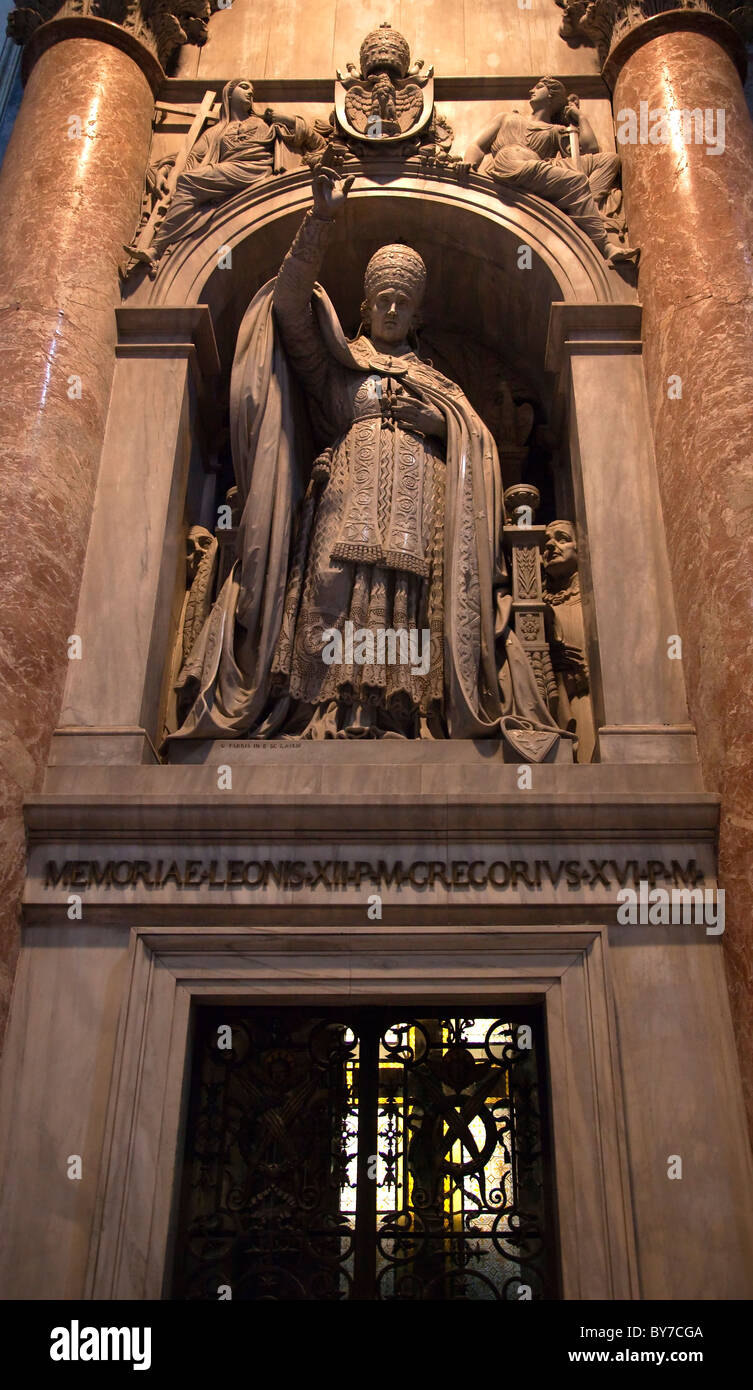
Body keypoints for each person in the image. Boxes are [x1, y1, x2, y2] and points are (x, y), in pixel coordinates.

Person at [170, 169, 564, 757]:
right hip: (342, 502)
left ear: (416, 316)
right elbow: (289, 310)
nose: (390, 307)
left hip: (420, 510)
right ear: (363, 303)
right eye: (381, 298)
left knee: (408, 599)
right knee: (332, 592)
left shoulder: (439, 384)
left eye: (402, 302)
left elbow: (477, 444)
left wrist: (442, 426)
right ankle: (325, 710)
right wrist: (319, 222)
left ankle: (403, 718)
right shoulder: (338, 365)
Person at [129, 79, 322, 268]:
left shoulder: (263, 123)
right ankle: (157, 248)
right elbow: (190, 159)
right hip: (228, 173)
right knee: (187, 183)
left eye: (252, 91)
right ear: (229, 93)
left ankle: (156, 248)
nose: (250, 93)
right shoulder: (217, 131)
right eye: (244, 87)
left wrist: (280, 117)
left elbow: (305, 134)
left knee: (188, 181)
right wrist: (163, 171)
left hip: (255, 169)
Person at [462, 77, 637, 265]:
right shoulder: (508, 118)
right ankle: (604, 244)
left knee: (609, 160)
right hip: (510, 163)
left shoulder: (555, 130)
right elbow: (478, 146)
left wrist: (580, 117)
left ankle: (588, 206)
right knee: (576, 180)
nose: (531, 90)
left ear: (552, 95)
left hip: (538, 164)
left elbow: (590, 148)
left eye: (538, 87)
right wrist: (469, 163)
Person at [542, 519, 595, 762]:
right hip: (552, 700)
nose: (551, 546)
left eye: (562, 539)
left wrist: (585, 668)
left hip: (585, 699)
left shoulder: (590, 600)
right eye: (546, 543)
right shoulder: (538, 607)